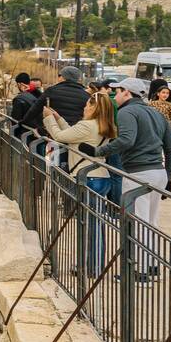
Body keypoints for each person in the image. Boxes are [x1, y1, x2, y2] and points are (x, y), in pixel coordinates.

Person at [92, 78, 171, 281]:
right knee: (151, 221)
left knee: (137, 222)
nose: (115, 96)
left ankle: (140, 272)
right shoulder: (156, 113)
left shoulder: (126, 112)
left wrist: (99, 151)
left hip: (138, 173)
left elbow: (126, 140)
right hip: (158, 172)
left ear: (127, 93)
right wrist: (170, 176)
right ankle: (153, 266)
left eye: (118, 92)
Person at [43, 92, 117, 271]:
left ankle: (92, 267)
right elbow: (71, 133)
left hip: (89, 178)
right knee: (95, 224)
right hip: (101, 176)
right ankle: (94, 263)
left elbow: (60, 137)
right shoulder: (104, 125)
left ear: (94, 107)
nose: (84, 108)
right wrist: (59, 118)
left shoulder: (87, 125)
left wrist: (49, 119)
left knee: (90, 225)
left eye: (87, 105)